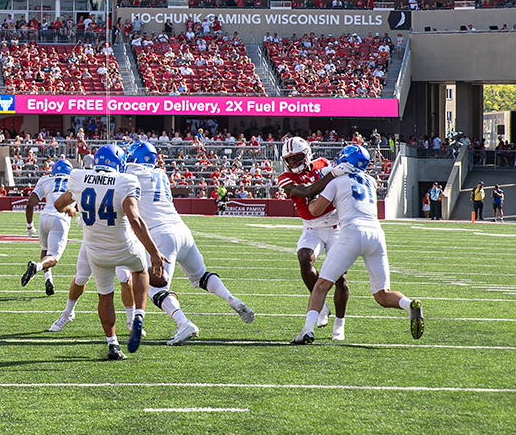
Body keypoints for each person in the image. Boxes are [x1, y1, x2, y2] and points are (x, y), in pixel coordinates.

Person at [122, 141, 254, 345]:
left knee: (156, 289)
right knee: (201, 276)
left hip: (161, 235)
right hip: (182, 230)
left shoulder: (130, 174)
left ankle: (184, 323)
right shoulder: (160, 174)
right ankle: (231, 299)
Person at [292, 144, 423, 344]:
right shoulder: (370, 181)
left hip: (351, 233)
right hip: (377, 235)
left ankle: (307, 330)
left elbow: (316, 210)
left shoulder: (337, 181)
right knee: (382, 294)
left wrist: (313, 195)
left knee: (321, 286)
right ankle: (408, 304)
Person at [54, 144, 165, 360]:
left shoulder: (78, 176)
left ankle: (112, 344)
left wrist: (69, 209)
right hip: (123, 246)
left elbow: (59, 204)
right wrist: (154, 252)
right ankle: (138, 316)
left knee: (105, 295)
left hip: (95, 250)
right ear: (119, 163)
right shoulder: (126, 181)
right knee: (140, 270)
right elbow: (135, 218)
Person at [276, 136, 350, 340]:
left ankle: (339, 326)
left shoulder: (323, 164)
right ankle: (321, 305)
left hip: (335, 226)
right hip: (312, 228)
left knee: (341, 278)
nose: (293, 164)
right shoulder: (285, 178)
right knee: (304, 258)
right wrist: (331, 175)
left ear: (307, 154)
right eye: (289, 160)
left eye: (296, 158)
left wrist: (333, 174)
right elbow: (308, 191)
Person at [21, 158, 74, 296]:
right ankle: (37, 266)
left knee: (45, 250)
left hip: (44, 217)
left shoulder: (46, 179)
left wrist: (29, 226)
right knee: (53, 257)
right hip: (60, 219)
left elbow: (30, 204)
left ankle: (48, 279)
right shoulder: (76, 180)